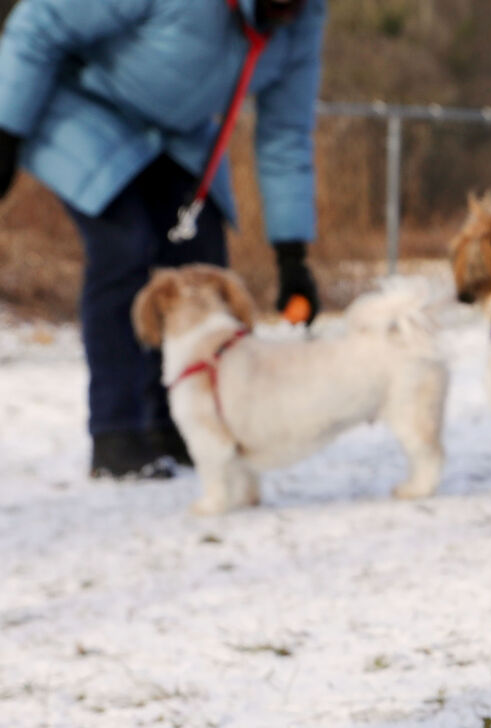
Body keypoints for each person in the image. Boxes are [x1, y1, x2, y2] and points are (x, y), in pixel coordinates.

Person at [0, 0, 326, 480]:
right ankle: (116, 432)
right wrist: (6, 129)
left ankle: (175, 424)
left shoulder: (301, 20)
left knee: (203, 266)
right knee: (124, 248)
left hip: (176, 137)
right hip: (83, 108)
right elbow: (40, 20)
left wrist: (292, 254)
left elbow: (285, 136)